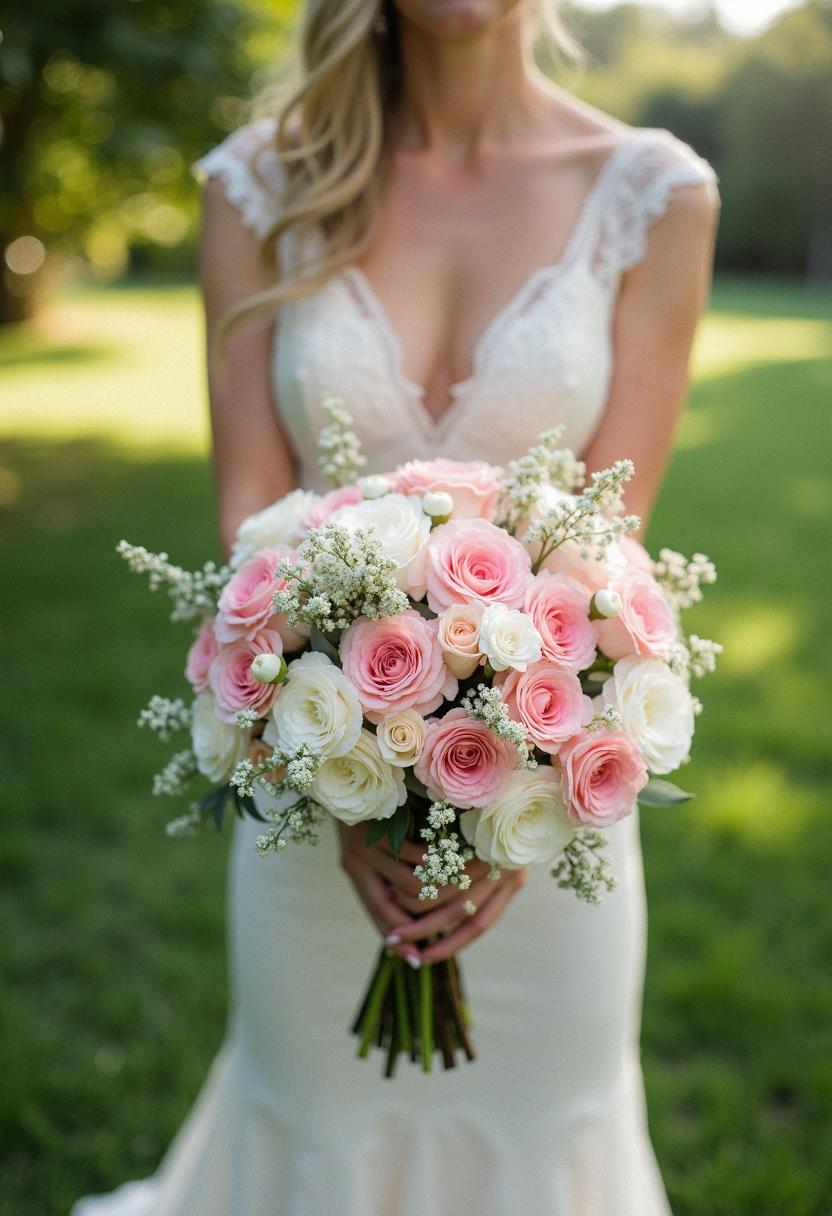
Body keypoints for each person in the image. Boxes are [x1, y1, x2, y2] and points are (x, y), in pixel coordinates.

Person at [72, 1, 720, 1212]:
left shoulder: (655, 196)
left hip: (545, 804)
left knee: (544, 1136)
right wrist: (351, 780)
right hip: (320, 771)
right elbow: (250, 509)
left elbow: (613, 536)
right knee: (313, 1121)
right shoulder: (256, 187)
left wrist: (519, 790)